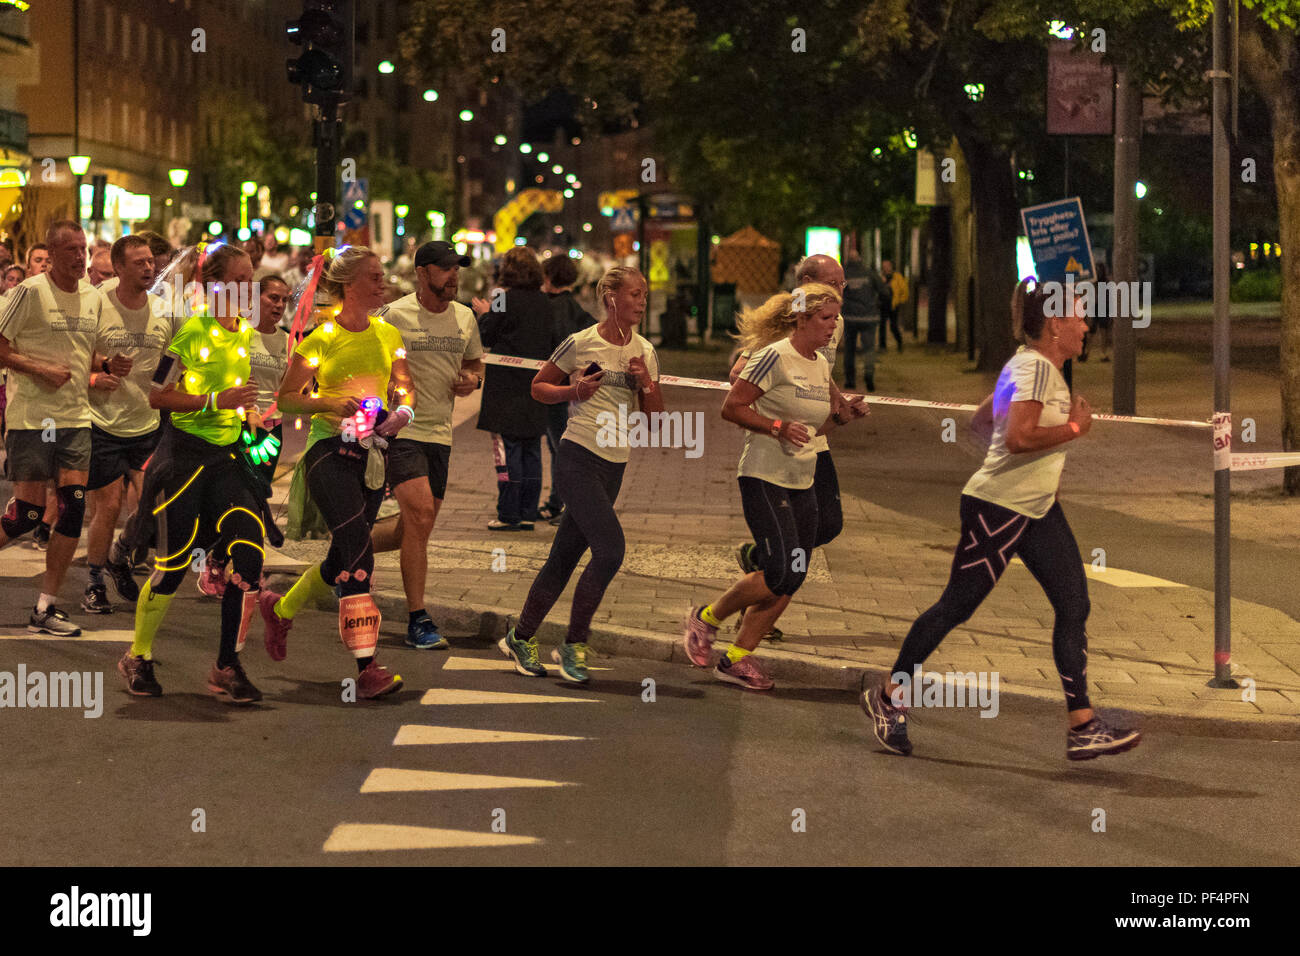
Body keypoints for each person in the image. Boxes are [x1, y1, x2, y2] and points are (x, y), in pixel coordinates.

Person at [862, 279, 1141, 760]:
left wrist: (1038, 474)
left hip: (1035, 509)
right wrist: (1074, 429)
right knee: (956, 607)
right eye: (1079, 315)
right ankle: (888, 696)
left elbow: (982, 421)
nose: (1087, 324)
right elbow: (1016, 438)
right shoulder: (1034, 369)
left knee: (1074, 605)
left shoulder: (1032, 367)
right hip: (999, 510)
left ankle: (1082, 724)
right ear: (1055, 325)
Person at [684, 284, 868, 690]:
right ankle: (707, 617)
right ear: (801, 319)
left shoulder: (819, 364)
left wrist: (843, 418)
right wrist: (775, 426)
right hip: (764, 476)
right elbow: (731, 407)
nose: (834, 327)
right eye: (826, 318)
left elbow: (810, 430)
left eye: (836, 318)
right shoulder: (774, 357)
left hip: (803, 477)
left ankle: (736, 659)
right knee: (779, 570)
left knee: (794, 575)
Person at [115, 242, 273, 702]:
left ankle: (227, 664)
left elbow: (237, 394)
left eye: (250, 281)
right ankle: (137, 655)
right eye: (238, 282)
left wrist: (251, 414)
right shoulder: (189, 333)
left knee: (248, 557)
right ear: (212, 286)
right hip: (183, 461)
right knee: (173, 566)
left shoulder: (243, 333)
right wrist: (213, 401)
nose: (247, 290)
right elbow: (157, 395)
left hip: (227, 463)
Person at [260, 246, 413, 699]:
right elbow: (287, 399)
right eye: (374, 277)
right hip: (328, 451)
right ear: (348, 285)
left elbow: (406, 390)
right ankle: (368, 669)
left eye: (383, 275)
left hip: (371, 454)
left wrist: (399, 415)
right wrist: (330, 402)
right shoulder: (320, 339)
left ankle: (281, 608)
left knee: (341, 557)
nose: (382, 284)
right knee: (359, 557)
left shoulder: (389, 334)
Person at [499, 266, 661, 683]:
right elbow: (538, 387)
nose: (642, 301)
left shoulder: (645, 350)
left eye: (645, 295)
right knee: (610, 551)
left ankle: (521, 636)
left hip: (614, 465)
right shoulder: (581, 342)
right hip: (577, 456)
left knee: (563, 557)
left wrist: (646, 383)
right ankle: (573, 644)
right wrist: (574, 391)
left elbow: (656, 420)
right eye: (634, 294)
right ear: (610, 297)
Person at [0, 220, 127, 635]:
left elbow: (83, 353)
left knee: (72, 508)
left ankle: (45, 606)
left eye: (83, 249)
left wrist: (106, 365)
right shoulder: (29, 292)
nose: (79, 257)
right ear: (50, 256)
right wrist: (39, 369)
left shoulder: (92, 298)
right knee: (28, 514)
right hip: (32, 419)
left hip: (75, 418)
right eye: (70, 250)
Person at [728, 254, 852, 642]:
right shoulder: (791, 319)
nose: (841, 293)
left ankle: (764, 560)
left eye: (843, 286)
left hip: (815, 436)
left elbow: (821, 367)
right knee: (789, 554)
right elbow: (739, 375)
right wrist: (777, 419)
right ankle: (763, 580)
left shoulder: (835, 321)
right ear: (809, 283)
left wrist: (835, 397)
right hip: (778, 446)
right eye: (835, 283)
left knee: (829, 523)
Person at [369, 240, 483, 650]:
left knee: (415, 528)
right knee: (418, 516)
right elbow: (366, 357)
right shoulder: (394, 315)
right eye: (446, 268)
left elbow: (474, 364)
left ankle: (349, 552)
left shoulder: (465, 318)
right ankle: (418, 618)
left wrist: (473, 380)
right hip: (402, 431)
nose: (454, 276)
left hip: (440, 433)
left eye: (458, 269)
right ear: (422, 272)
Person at [82, 235, 178, 614]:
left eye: (151, 262)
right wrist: (101, 368)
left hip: (147, 424)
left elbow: (173, 357)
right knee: (108, 505)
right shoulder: (97, 304)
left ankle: (119, 557)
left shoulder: (162, 309)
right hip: (103, 423)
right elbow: (78, 355)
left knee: (155, 504)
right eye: (139, 263)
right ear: (119, 268)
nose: (149, 268)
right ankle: (93, 581)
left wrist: (166, 382)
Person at [194, 274, 292, 598]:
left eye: (283, 300)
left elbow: (291, 387)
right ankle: (230, 564)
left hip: (270, 431)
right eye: (272, 298)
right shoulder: (240, 334)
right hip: (238, 427)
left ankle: (222, 560)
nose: (278, 305)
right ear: (255, 299)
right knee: (248, 499)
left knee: (257, 495)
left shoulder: (288, 341)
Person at [476, 247, 553, 531]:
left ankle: (508, 513)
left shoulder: (501, 299)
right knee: (532, 449)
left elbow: (486, 335)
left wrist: (484, 313)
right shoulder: (545, 303)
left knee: (508, 451)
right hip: (536, 384)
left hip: (505, 388)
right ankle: (528, 512)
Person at [539, 253, 596, 523]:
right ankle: (557, 502)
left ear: (548, 278)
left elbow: (558, 346)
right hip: (576, 391)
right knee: (562, 447)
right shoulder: (577, 309)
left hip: (557, 388)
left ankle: (567, 506)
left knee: (561, 449)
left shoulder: (549, 308)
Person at [841, 250, 881, 392]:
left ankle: (850, 381)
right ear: (860, 259)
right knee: (869, 348)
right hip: (868, 317)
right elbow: (884, 292)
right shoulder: (870, 273)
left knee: (849, 349)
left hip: (850, 318)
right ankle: (869, 376)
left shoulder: (843, 275)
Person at [878, 259, 904, 352]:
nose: (885, 268)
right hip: (882, 305)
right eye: (884, 266)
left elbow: (903, 290)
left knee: (893, 326)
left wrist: (899, 301)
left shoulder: (897, 277)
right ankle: (882, 346)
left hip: (893, 305)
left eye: (887, 266)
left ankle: (899, 342)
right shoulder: (880, 277)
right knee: (882, 326)